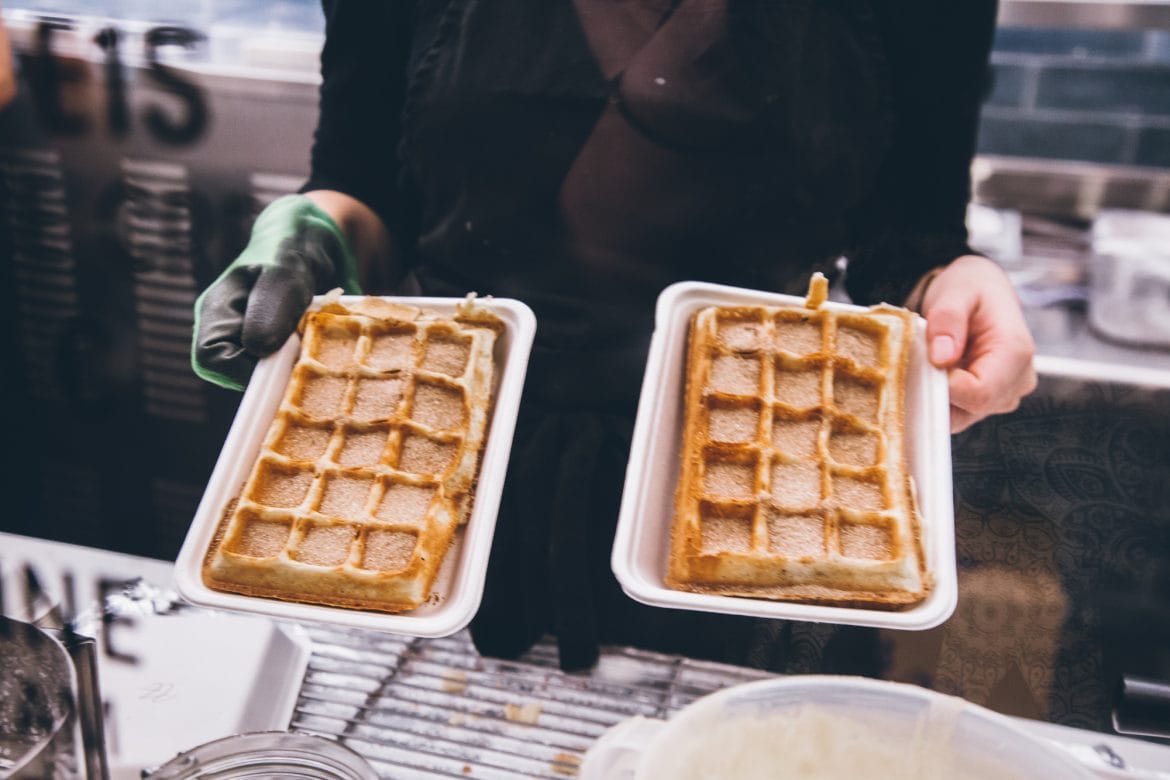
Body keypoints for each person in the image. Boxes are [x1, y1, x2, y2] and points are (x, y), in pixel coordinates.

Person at [192, 0, 1036, 671]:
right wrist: (317, 234)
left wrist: (948, 285)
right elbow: (364, 181)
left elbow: (909, 239)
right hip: (442, 475)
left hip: (770, 493)